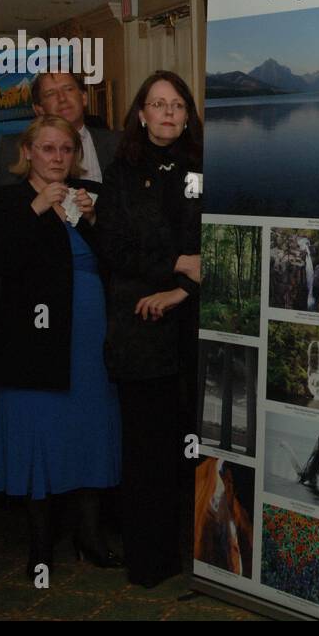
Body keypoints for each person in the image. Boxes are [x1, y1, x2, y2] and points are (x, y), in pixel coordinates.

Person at [0, 115, 121, 578]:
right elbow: (4, 260)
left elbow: (115, 261)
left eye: (65, 149)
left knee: (88, 430)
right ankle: (40, 546)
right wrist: (37, 207)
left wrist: (95, 220)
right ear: (27, 153)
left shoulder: (87, 198)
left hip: (89, 340)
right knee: (39, 436)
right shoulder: (8, 199)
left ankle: (89, 535)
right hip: (33, 342)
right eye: (47, 149)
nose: (58, 158)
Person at [99, 71, 202, 588]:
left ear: (188, 115)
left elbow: (223, 252)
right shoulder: (120, 175)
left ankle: (212, 560)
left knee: (200, 448)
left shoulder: (205, 170)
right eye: (158, 104)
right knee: (148, 453)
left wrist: (183, 289)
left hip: (199, 327)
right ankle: (151, 563)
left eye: (177, 105)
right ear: (141, 113)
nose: (168, 112)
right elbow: (113, 248)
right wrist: (178, 262)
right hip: (140, 330)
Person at [0, 70, 120, 247]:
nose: (62, 98)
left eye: (68, 89)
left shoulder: (118, 144)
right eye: (50, 93)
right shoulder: (12, 148)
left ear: (84, 98)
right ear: (38, 109)